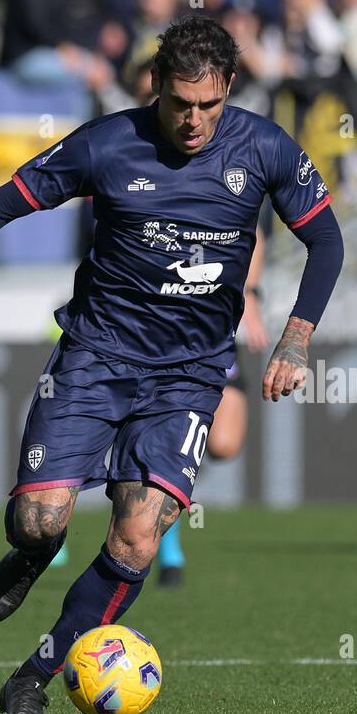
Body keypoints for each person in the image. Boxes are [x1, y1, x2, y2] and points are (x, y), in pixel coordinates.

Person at [0, 15, 344, 714]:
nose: (194, 121)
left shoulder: (266, 147)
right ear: (156, 88)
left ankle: (33, 676)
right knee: (39, 519)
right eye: (180, 104)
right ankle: (33, 553)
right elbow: (9, 200)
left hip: (189, 375)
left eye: (209, 106)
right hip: (95, 358)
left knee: (137, 534)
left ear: (229, 91)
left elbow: (327, 243)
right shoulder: (107, 144)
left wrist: (295, 340)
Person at [156, 224, 268, 586]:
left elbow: (255, 229)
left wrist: (250, 292)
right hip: (154, 332)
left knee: (222, 442)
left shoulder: (229, 178)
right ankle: (167, 546)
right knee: (165, 442)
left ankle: (163, 497)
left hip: (214, 333)